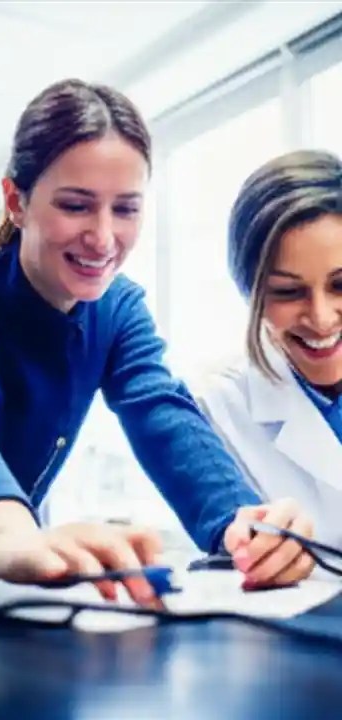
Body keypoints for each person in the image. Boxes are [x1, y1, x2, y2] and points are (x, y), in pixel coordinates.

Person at [0, 79, 316, 604]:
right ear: (16, 201)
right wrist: (10, 533)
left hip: (3, 592)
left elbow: (161, 414)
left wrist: (243, 526)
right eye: (76, 206)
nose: (103, 238)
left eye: (125, 209)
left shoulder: (118, 310)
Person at [196, 149, 342, 549]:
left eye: (340, 285)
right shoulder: (218, 405)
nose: (322, 317)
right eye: (288, 292)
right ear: (251, 292)